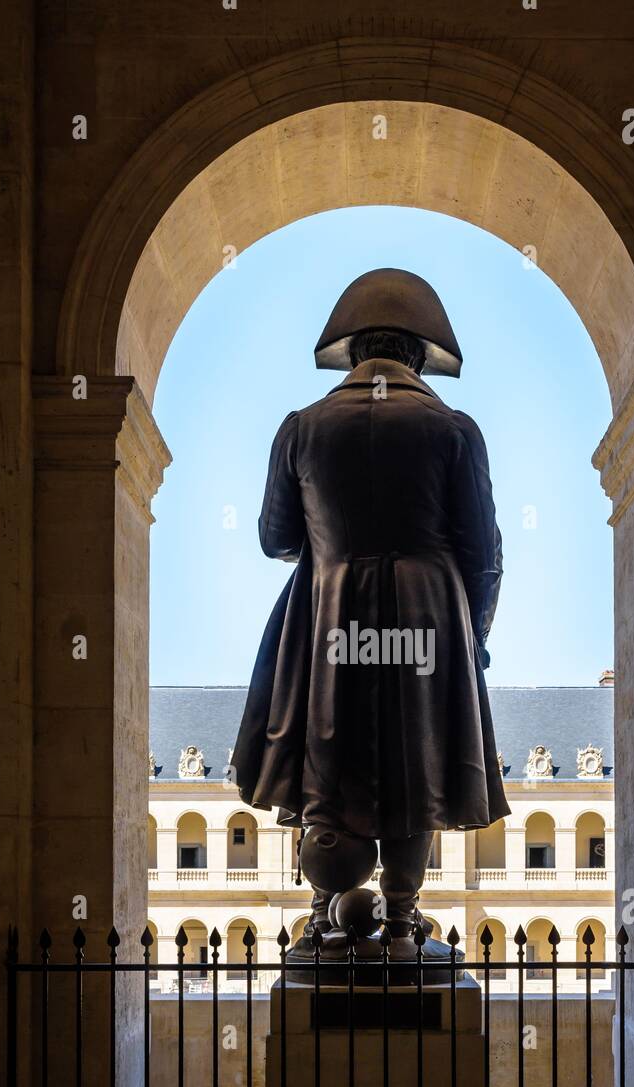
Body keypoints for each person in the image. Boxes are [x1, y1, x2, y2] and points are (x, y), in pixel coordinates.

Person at [231, 268, 509, 950]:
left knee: (329, 752)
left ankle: (324, 911)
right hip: (429, 615)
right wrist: (474, 638)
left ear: (354, 352)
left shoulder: (301, 428)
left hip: (328, 612)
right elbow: (484, 552)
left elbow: (277, 540)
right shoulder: (453, 429)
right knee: (418, 755)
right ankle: (403, 918)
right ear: (417, 355)